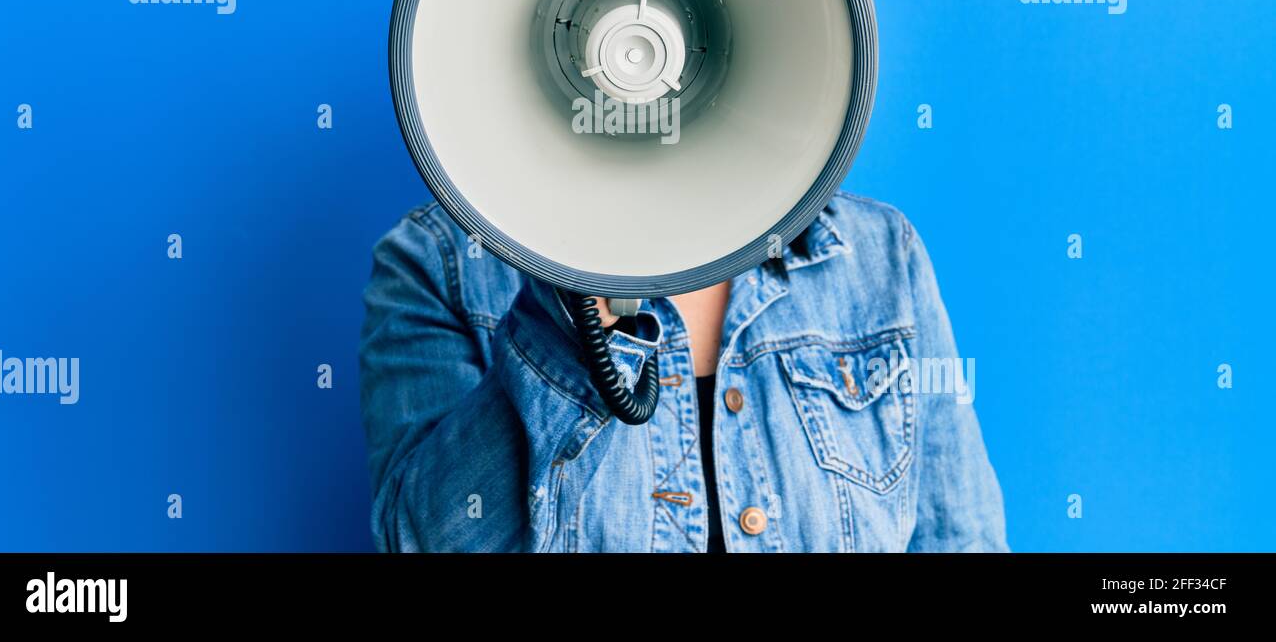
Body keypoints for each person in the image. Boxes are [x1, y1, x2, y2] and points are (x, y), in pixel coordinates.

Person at [358, 188, 1007, 552]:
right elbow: (423, 541)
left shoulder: (874, 255)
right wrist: (566, 308)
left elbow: (959, 538)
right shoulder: (441, 263)